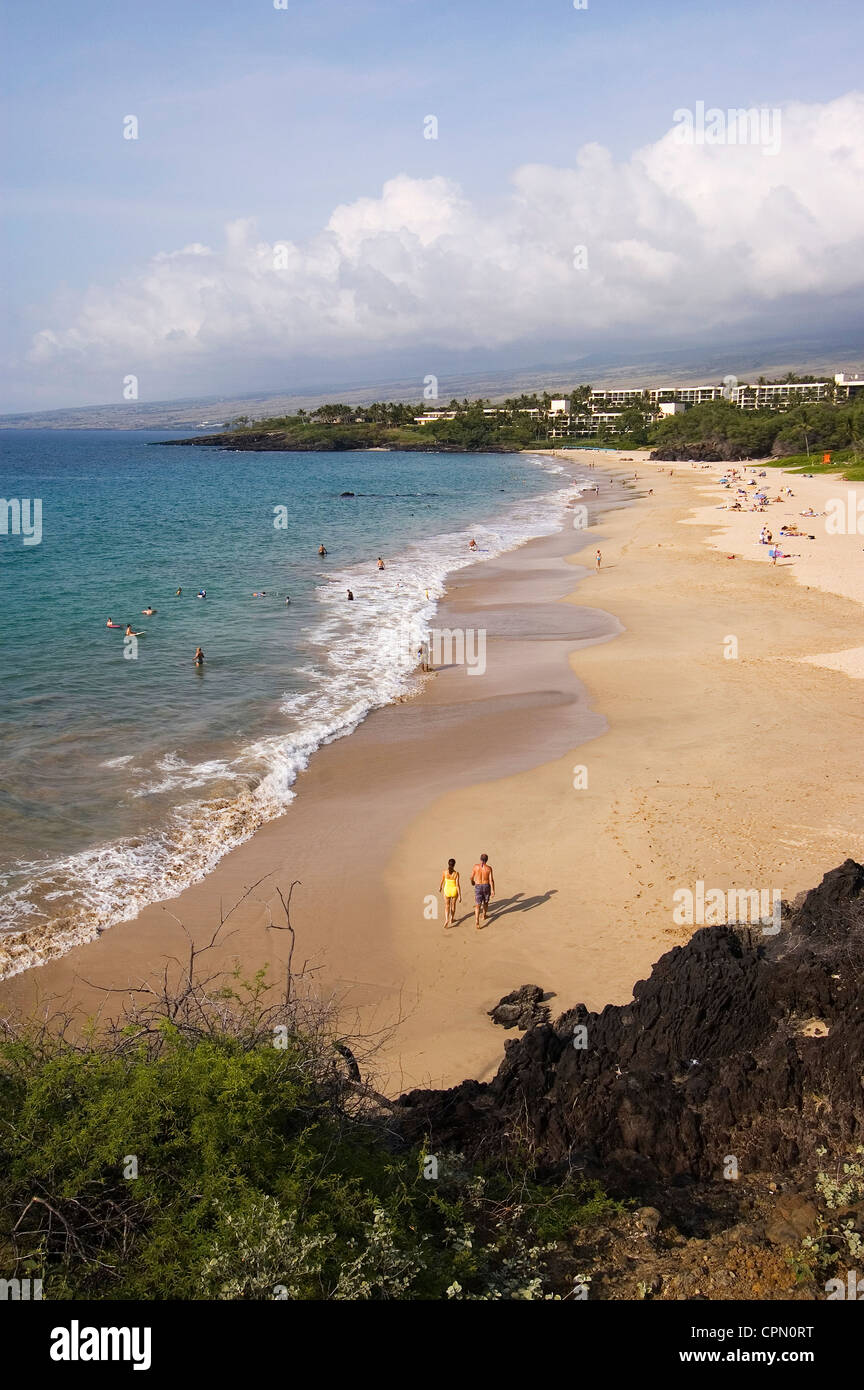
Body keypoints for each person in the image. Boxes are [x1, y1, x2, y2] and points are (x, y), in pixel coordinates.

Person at [470, 853, 495, 929]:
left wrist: (472, 882)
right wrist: (493, 890)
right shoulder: (489, 868)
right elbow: (491, 880)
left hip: (478, 886)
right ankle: (484, 915)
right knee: (486, 902)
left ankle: (477, 922)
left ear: (480, 859)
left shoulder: (475, 866)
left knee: (478, 905)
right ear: (486, 860)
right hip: (486, 886)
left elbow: (471, 877)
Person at [439, 858, 461, 928]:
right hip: (454, 890)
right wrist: (460, 895)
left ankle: (446, 920)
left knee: (447, 906)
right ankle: (452, 919)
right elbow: (457, 885)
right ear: (454, 865)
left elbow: (442, 880)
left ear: (448, 864)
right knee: (453, 905)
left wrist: (440, 887)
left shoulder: (445, 872)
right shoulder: (456, 873)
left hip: (447, 890)